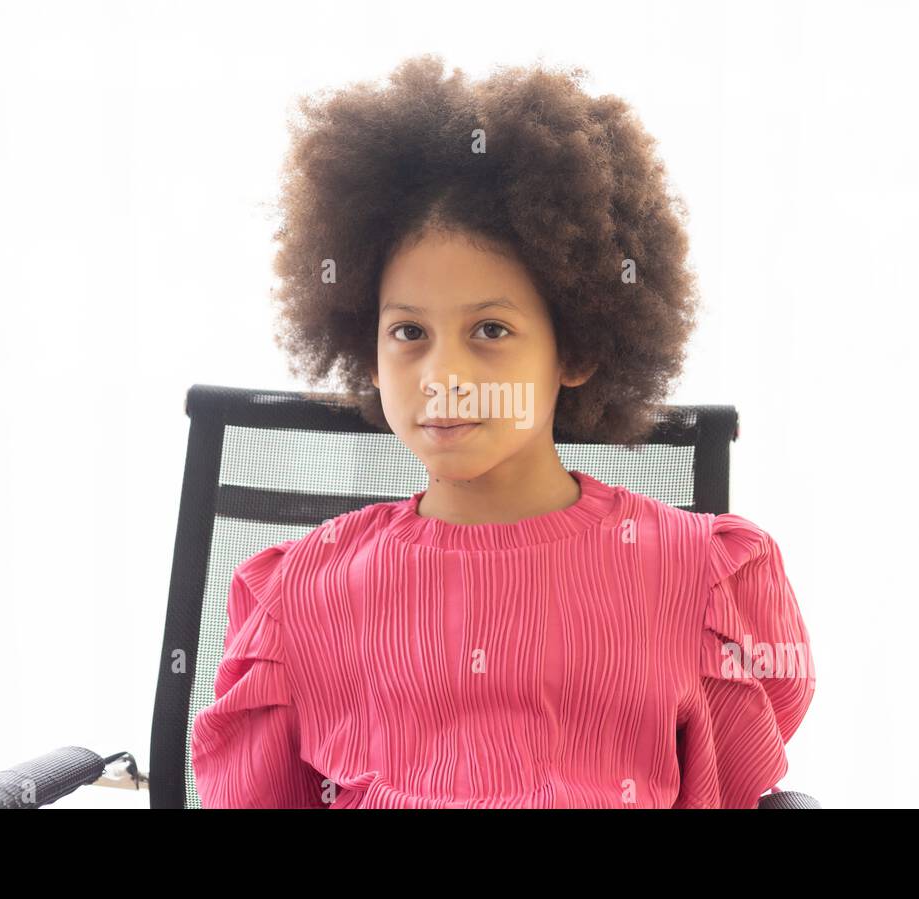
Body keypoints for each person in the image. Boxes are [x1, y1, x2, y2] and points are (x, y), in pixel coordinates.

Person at [190, 54, 815, 808]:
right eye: (408, 332)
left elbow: (734, 781)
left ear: (577, 347)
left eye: (490, 328)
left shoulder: (702, 579)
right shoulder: (299, 593)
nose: (441, 374)